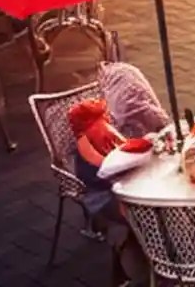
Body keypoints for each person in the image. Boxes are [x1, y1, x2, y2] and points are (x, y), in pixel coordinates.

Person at [68, 99, 151, 286]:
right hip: (102, 197)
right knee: (138, 213)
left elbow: (124, 148)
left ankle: (147, 259)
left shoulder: (103, 133)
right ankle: (144, 265)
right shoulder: (85, 143)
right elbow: (107, 167)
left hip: (119, 187)